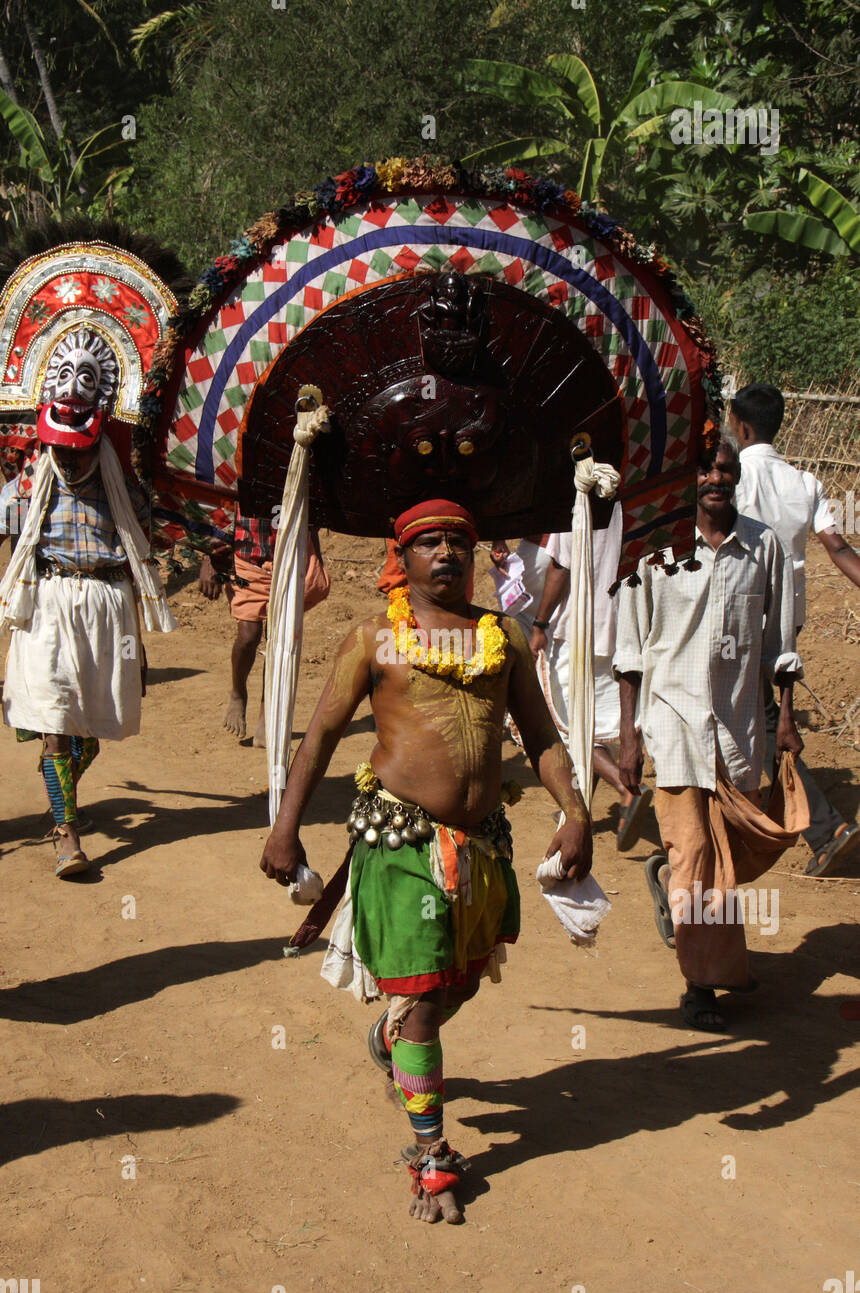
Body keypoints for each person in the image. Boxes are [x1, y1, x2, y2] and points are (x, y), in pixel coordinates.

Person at [260, 498, 592, 1224]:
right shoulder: (375, 638)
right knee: (424, 1002)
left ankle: (390, 1036)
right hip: (400, 843)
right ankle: (431, 1155)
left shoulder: (502, 635)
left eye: (459, 543)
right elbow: (317, 740)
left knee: (457, 987)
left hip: (480, 846)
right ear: (401, 560)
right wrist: (285, 828)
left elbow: (540, 736)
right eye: (428, 543)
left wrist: (576, 811)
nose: (446, 554)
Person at [615, 432, 806, 1031]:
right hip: (673, 725)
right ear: (688, 479)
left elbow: (780, 646)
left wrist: (787, 719)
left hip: (740, 728)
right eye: (705, 470)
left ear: (737, 478)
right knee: (701, 856)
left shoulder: (764, 548)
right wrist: (629, 737)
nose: (715, 479)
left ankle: (671, 883)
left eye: (724, 469)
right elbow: (629, 653)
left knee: (754, 843)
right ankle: (701, 987)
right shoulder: (653, 549)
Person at [0, 329, 175, 877]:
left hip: (108, 605)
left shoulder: (123, 481)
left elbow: (147, 547)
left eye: (77, 453)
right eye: (60, 451)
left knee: (89, 732)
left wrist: (138, 644)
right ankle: (67, 836)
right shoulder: (25, 483)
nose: (69, 463)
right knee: (55, 722)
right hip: (47, 601)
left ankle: (60, 786)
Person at [729, 382, 860, 876]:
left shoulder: (734, 476)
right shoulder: (805, 482)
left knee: (760, 723)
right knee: (762, 715)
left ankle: (824, 828)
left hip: (740, 612)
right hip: (787, 618)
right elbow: (840, 550)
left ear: (740, 426)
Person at [527, 505, 653, 849]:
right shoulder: (641, 501)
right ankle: (577, 807)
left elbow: (560, 567)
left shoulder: (580, 505)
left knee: (566, 723)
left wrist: (540, 623)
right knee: (591, 719)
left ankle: (624, 788)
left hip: (581, 626)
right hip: (630, 626)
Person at [199, 511, 329, 745]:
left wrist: (315, 558)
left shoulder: (306, 474)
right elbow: (219, 510)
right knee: (249, 636)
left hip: (290, 562)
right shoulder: (244, 476)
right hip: (247, 562)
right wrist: (209, 560)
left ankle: (267, 714)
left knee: (278, 641)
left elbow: (315, 520)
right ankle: (238, 692)